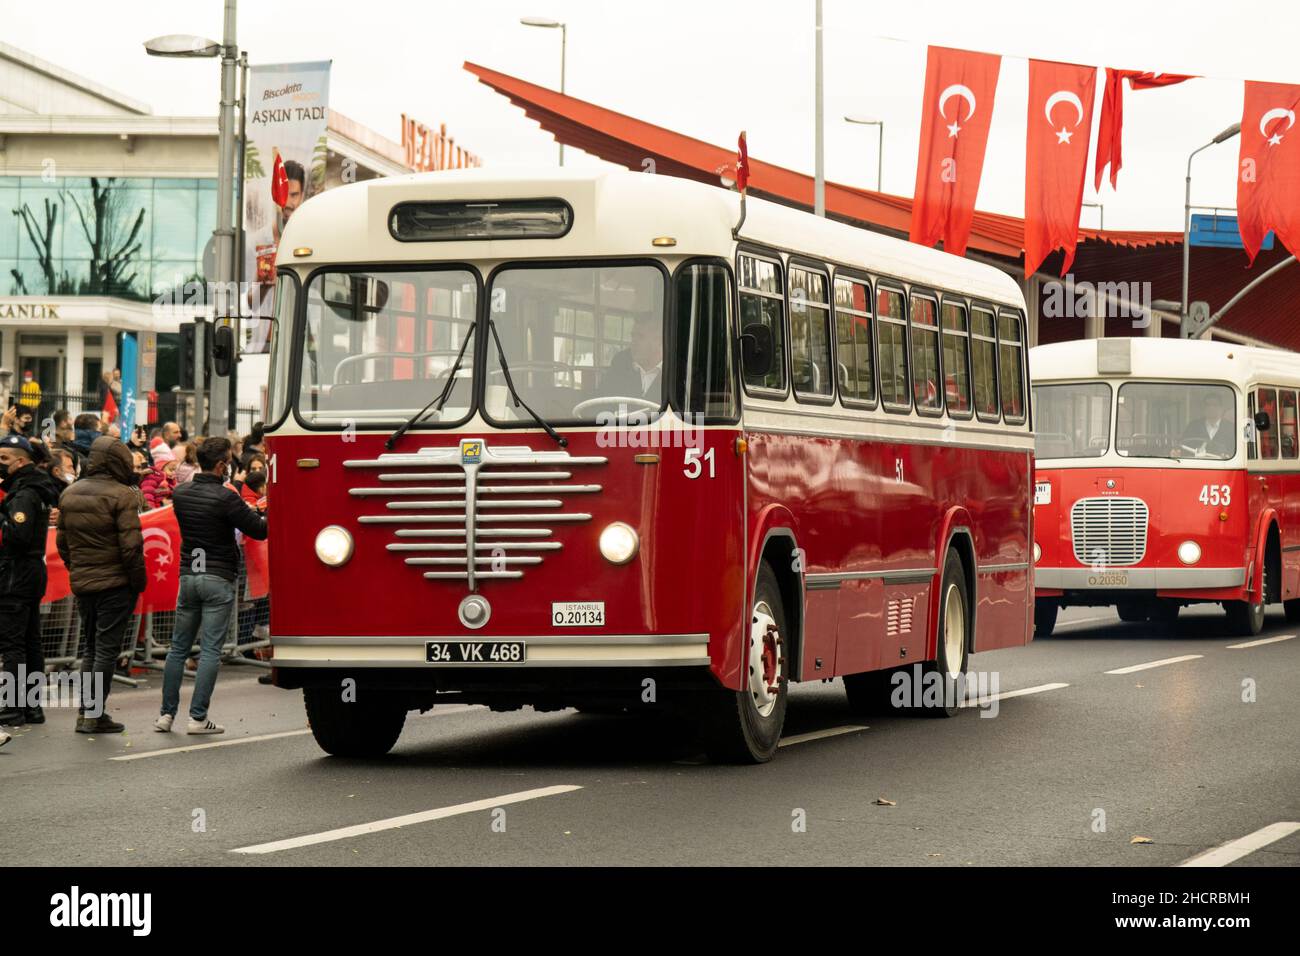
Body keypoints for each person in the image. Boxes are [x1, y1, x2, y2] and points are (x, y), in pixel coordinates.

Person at [157, 437, 267, 735]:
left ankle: (166, 716)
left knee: (178, 648)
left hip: (190, 574)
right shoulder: (226, 497)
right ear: (221, 465)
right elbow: (259, 530)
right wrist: (263, 511)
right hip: (217, 575)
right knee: (209, 651)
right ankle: (197, 717)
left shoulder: (181, 493)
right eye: (229, 462)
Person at [56, 436, 146, 733]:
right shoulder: (122, 496)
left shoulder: (69, 494)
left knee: (91, 649)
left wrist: (77, 570)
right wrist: (137, 582)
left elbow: (62, 542)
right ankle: (93, 715)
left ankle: (87, 712)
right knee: (106, 651)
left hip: (84, 583)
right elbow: (131, 548)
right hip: (116, 584)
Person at [0, 435, 62, 726]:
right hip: (30, 571)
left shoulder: (24, 492)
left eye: (4, 460)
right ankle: (32, 707)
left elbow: (17, 536)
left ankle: (12, 708)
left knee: (13, 643)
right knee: (30, 640)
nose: (0, 465)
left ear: (21, 461)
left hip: (17, 572)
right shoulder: (32, 486)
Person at [603, 318, 664, 401]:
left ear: (658, 341)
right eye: (633, 336)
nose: (633, 342)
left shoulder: (675, 372)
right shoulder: (621, 362)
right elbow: (603, 400)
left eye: (640, 337)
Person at [1179, 393, 1236, 458]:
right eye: (1208, 405)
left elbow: (1235, 451)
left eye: (1215, 405)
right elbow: (1183, 447)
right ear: (1203, 408)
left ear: (1221, 408)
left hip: (1223, 465)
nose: (1211, 408)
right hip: (1197, 465)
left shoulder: (1231, 428)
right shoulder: (1193, 426)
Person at [140, 445, 178, 510]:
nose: (173, 473)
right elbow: (148, 496)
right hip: (156, 513)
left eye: (175, 470)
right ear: (161, 467)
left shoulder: (170, 480)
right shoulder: (151, 477)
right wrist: (152, 510)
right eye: (171, 470)